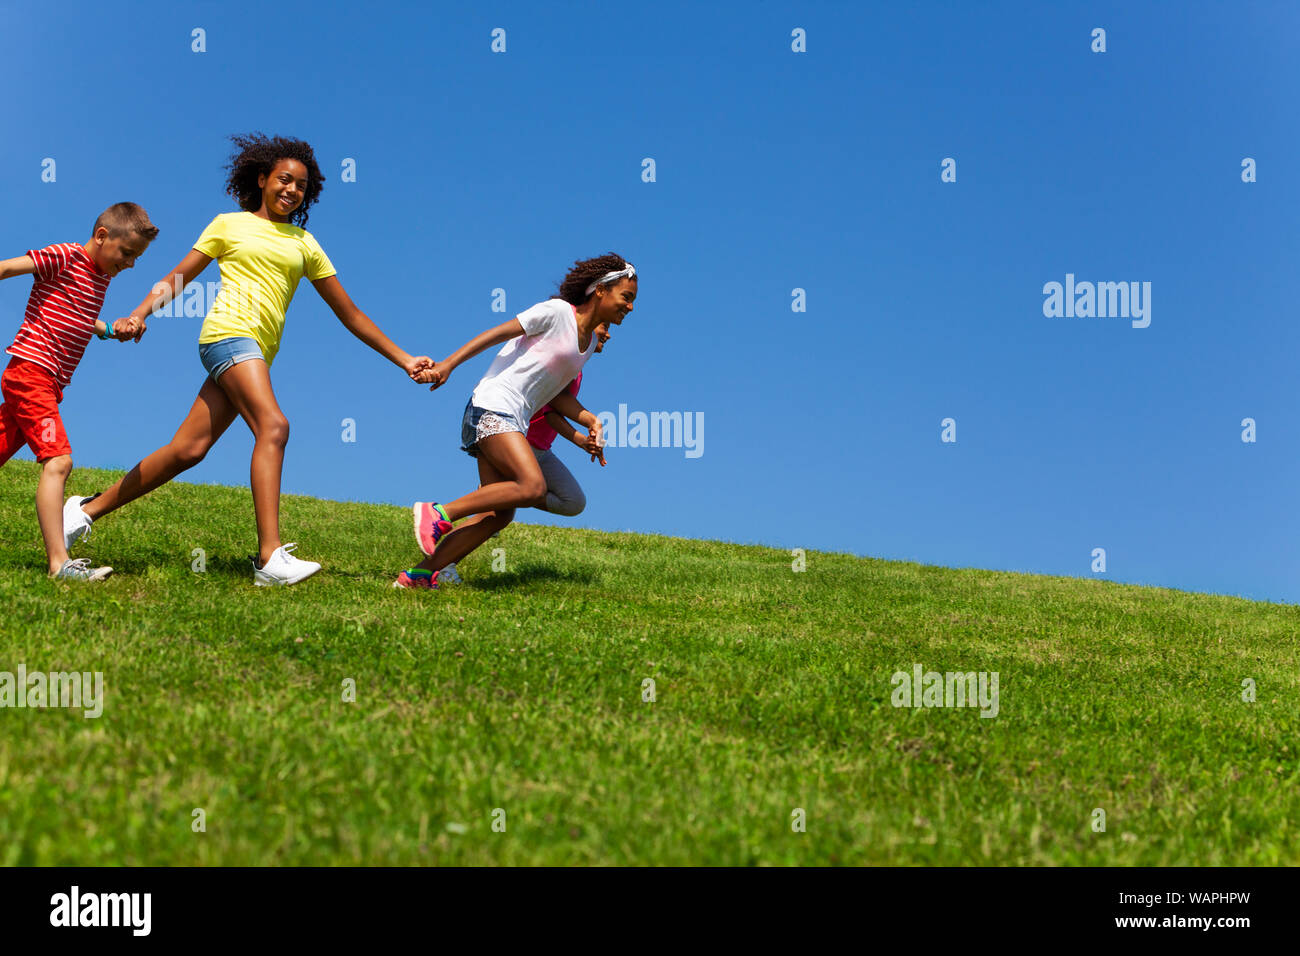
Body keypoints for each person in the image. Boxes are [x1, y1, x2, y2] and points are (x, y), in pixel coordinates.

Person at [63, 134, 433, 585]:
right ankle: (269, 557)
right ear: (262, 180)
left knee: (188, 450)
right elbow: (177, 278)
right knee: (274, 426)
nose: (291, 190)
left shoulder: (305, 244)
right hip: (227, 337)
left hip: (255, 351)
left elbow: (350, 314)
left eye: (301, 185)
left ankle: (84, 510)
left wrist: (404, 358)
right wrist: (138, 314)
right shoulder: (228, 225)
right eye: (283, 179)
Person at [394, 254, 636, 589]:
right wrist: (449, 364)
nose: (630, 307)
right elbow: (495, 333)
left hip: (512, 419)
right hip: (492, 407)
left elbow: (556, 396)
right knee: (532, 486)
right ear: (600, 291)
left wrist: (590, 420)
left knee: (498, 515)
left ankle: (419, 574)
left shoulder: (589, 342)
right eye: (626, 297)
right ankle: (440, 512)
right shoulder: (556, 313)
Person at [0, 203, 157, 580]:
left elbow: (78, 317)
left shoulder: (100, 277)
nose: (131, 264)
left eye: (137, 257)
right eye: (128, 253)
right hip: (31, 373)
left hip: (49, 384)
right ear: (102, 236)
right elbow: (6, 268)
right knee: (59, 461)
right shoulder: (64, 255)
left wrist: (110, 329)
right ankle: (59, 564)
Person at [438, 322, 610, 586]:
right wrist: (579, 437)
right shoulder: (561, 358)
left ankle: (507, 491)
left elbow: (557, 406)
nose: (608, 334)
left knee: (572, 502)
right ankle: (441, 560)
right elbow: (550, 410)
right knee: (494, 515)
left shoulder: (576, 368)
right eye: (604, 327)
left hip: (541, 450)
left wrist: (585, 434)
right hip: (516, 441)